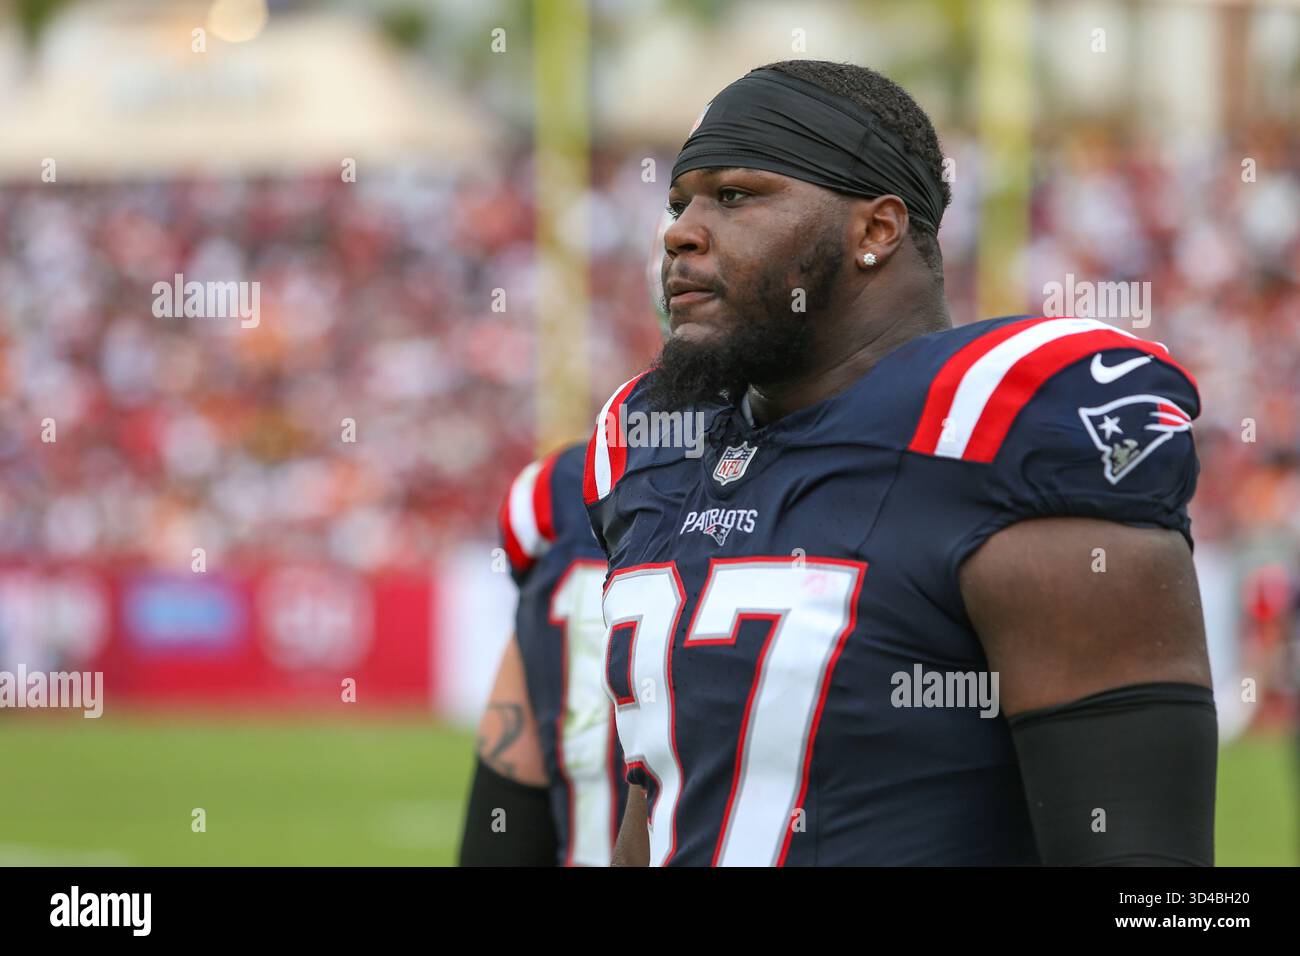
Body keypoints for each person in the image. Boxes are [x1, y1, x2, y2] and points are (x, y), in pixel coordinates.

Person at [584, 59, 1216, 866]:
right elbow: (666, 798)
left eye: (735, 195)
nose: (680, 230)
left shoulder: (997, 426)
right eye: (681, 202)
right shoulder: (656, 447)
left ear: (876, 230)